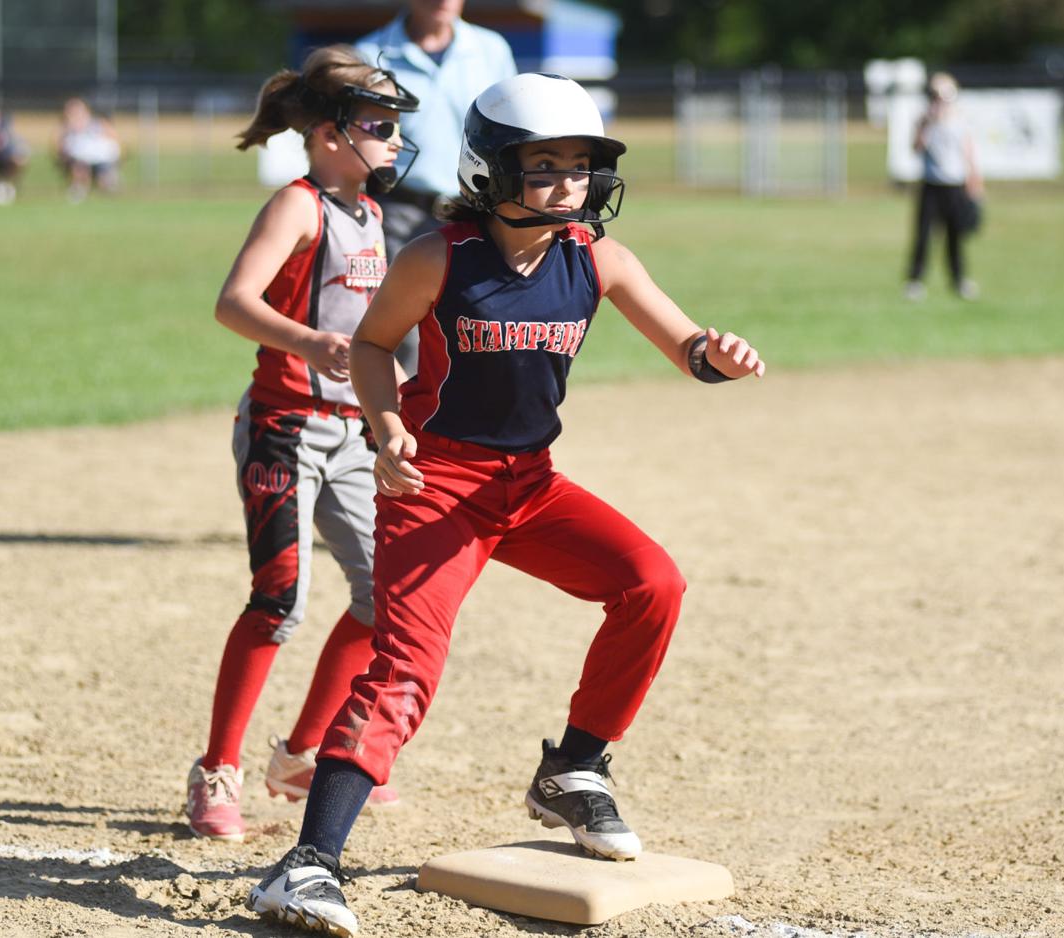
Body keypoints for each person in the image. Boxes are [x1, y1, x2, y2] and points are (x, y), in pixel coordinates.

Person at [245, 73, 765, 936]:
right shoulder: (440, 256)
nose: (569, 181)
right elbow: (375, 347)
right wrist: (383, 430)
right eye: (546, 163)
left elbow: (688, 348)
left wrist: (721, 353)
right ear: (492, 169)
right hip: (437, 484)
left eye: (582, 166)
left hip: (529, 482)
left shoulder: (598, 259)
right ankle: (306, 865)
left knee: (651, 584)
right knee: (406, 670)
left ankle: (574, 769)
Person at [184, 45, 420, 843]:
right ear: (328, 135)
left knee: (382, 595)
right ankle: (218, 769)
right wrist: (307, 342)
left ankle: (302, 754)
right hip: (283, 428)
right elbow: (233, 302)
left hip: (352, 433)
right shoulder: (298, 204)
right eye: (378, 126)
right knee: (280, 600)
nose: (392, 140)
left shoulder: (374, 213)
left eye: (395, 126)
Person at [356, 0, 517, 372]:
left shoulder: (491, 50)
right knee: (404, 330)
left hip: (480, 211)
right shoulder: (370, 53)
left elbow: (513, 132)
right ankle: (396, 426)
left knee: (481, 322)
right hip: (400, 210)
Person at [904, 72, 984, 301]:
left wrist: (974, 182)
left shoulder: (960, 120)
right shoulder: (924, 119)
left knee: (955, 236)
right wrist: (927, 124)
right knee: (923, 235)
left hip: (955, 184)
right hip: (931, 184)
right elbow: (916, 148)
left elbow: (969, 153)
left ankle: (958, 280)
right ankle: (915, 280)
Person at [55, 97, 122, 201]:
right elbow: (60, 146)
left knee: (105, 186)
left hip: (102, 159)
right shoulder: (66, 128)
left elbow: (114, 138)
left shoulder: (98, 124)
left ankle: (108, 181)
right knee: (80, 169)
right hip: (79, 160)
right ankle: (79, 188)